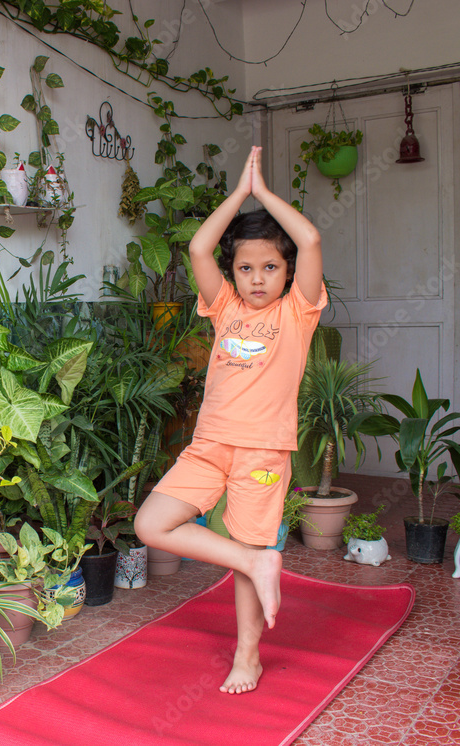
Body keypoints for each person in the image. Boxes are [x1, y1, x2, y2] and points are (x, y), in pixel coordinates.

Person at [134, 146, 326, 695]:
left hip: (262, 453)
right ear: (233, 274)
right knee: (152, 524)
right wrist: (237, 195)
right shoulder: (224, 307)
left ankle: (248, 656)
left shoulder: (298, 312)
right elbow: (199, 246)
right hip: (208, 447)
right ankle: (253, 559)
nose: (257, 278)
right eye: (246, 268)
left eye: (270, 267)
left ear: (288, 273)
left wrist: (264, 193)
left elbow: (309, 239)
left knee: (250, 557)